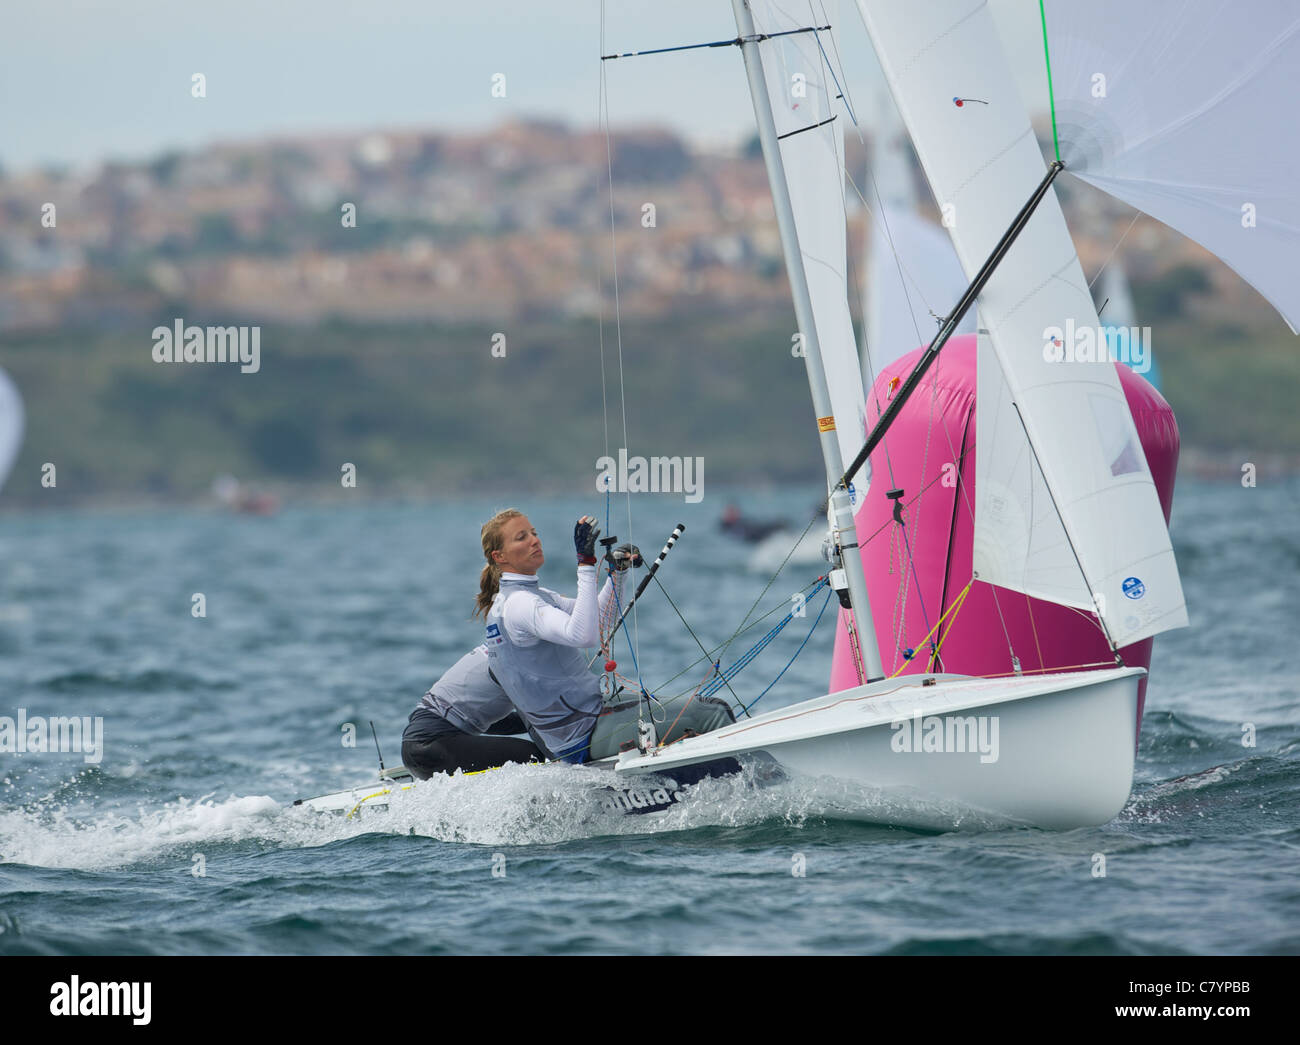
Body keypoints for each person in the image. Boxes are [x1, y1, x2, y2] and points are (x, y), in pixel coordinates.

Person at [478, 508, 733, 763]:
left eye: (534, 533)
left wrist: (616, 573)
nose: (535, 540)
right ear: (499, 556)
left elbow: (598, 622)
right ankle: (758, 781)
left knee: (697, 705)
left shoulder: (520, 599)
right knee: (712, 712)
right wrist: (586, 563)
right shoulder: (521, 604)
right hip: (583, 734)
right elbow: (585, 636)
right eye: (521, 537)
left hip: (583, 720)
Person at [399, 645, 543, 779]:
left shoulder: (499, 650)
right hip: (431, 745)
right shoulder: (513, 663)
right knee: (532, 756)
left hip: (413, 749)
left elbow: (496, 724)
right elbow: (536, 720)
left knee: (522, 753)